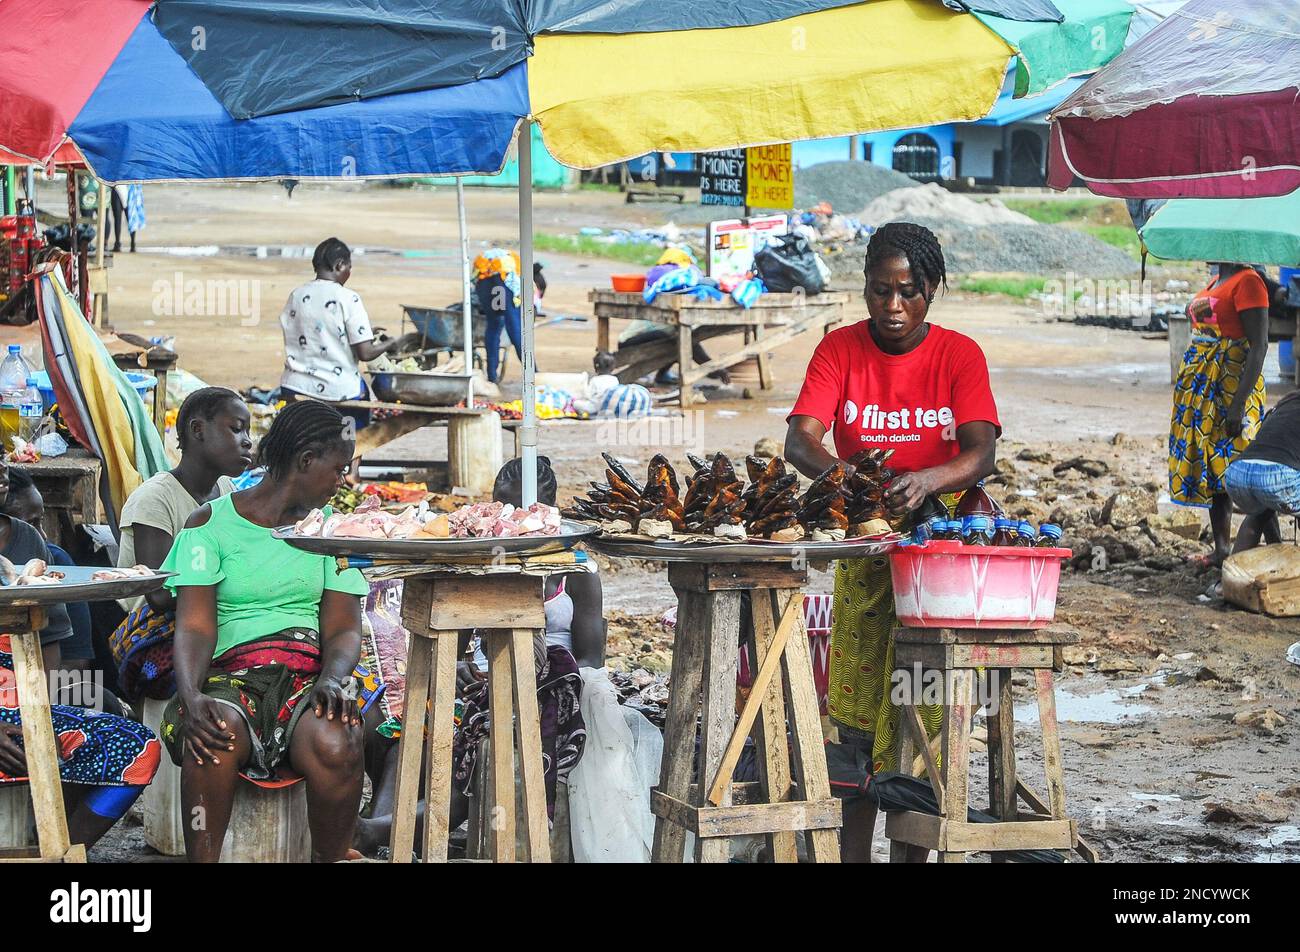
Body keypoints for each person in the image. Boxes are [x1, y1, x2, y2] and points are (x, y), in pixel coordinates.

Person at [783, 221, 999, 863]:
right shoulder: (840, 350)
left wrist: (927, 479)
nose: (893, 307)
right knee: (853, 710)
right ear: (866, 289)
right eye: (880, 292)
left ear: (930, 290)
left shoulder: (960, 354)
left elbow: (981, 452)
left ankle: (909, 854)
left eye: (908, 292)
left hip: (940, 552)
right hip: (865, 550)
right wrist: (853, 483)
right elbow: (800, 441)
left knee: (918, 704)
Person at [353, 456, 604, 857]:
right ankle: (380, 833)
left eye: (519, 508)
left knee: (477, 757)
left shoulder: (575, 569)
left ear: (547, 509)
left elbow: (592, 659)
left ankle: (376, 833)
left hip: (553, 687)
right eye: (500, 506)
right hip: (483, 688)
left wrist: (534, 678)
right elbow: (459, 643)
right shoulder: (486, 554)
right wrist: (462, 666)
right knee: (410, 738)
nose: (508, 517)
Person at [159, 399, 369, 863]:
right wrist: (191, 696)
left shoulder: (334, 536)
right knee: (213, 734)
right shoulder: (207, 528)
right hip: (228, 679)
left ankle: (332, 856)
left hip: (306, 679)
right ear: (306, 461)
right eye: (338, 469)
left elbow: (343, 630)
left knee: (339, 737)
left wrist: (332, 678)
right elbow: (194, 625)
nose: (343, 481)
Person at [0, 461, 161, 849]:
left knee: (137, 747)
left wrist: (38, 715)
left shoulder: (25, 541)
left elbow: (49, 646)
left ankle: (57, 852)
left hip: (20, 704)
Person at [107, 388, 251, 701]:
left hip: (207, 615)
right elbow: (159, 594)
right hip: (158, 634)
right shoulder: (156, 498)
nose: (248, 441)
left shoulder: (224, 490)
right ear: (197, 430)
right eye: (237, 429)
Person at [1170, 262, 1270, 564]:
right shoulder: (1216, 280)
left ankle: (1275, 547)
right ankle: (1222, 549)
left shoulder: (1248, 281)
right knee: (1216, 474)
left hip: (1232, 388)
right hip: (1206, 391)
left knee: (1248, 472)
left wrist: (1238, 405)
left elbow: (1259, 345)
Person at [279, 238, 405, 429]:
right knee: (358, 420)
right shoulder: (348, 298)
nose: (349, 273)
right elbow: (365, 353)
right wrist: (391, 343)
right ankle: (351, 452)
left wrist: (363, 334)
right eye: (349, 267)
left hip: (294, 385)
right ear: (339, 265)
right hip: (337, 390)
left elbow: (316, 333)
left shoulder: (296, 295)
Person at [1224, 390, 1300, 554]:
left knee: (1259, 511)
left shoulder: (1286, 402)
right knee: (1273, 489)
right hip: (1277, 476)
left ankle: (1231, 572)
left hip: (1238, 472)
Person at [473, 248, 526, 384]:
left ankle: (492, 375)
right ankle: (533, 371)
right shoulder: (515, 262)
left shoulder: (486, 258)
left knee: (494, 325)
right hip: (502, 283)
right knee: (514, 328)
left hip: (484, 284)